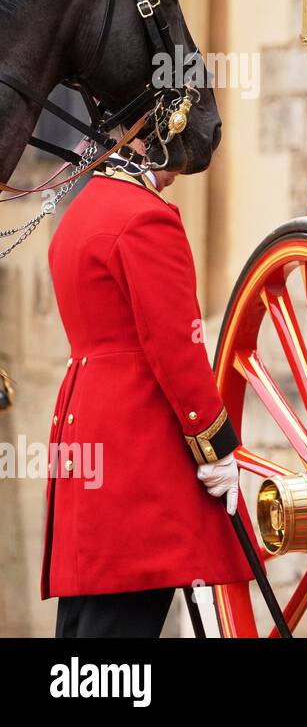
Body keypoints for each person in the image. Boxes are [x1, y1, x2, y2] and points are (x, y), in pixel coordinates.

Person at [45, 136, 252, 637]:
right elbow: (177, 346)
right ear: (142, 141)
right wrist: (217, 446)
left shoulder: (81, 209)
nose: (178, 171)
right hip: (136, 446)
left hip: (84, 424)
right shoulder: (145, 216)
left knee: (86, 622)